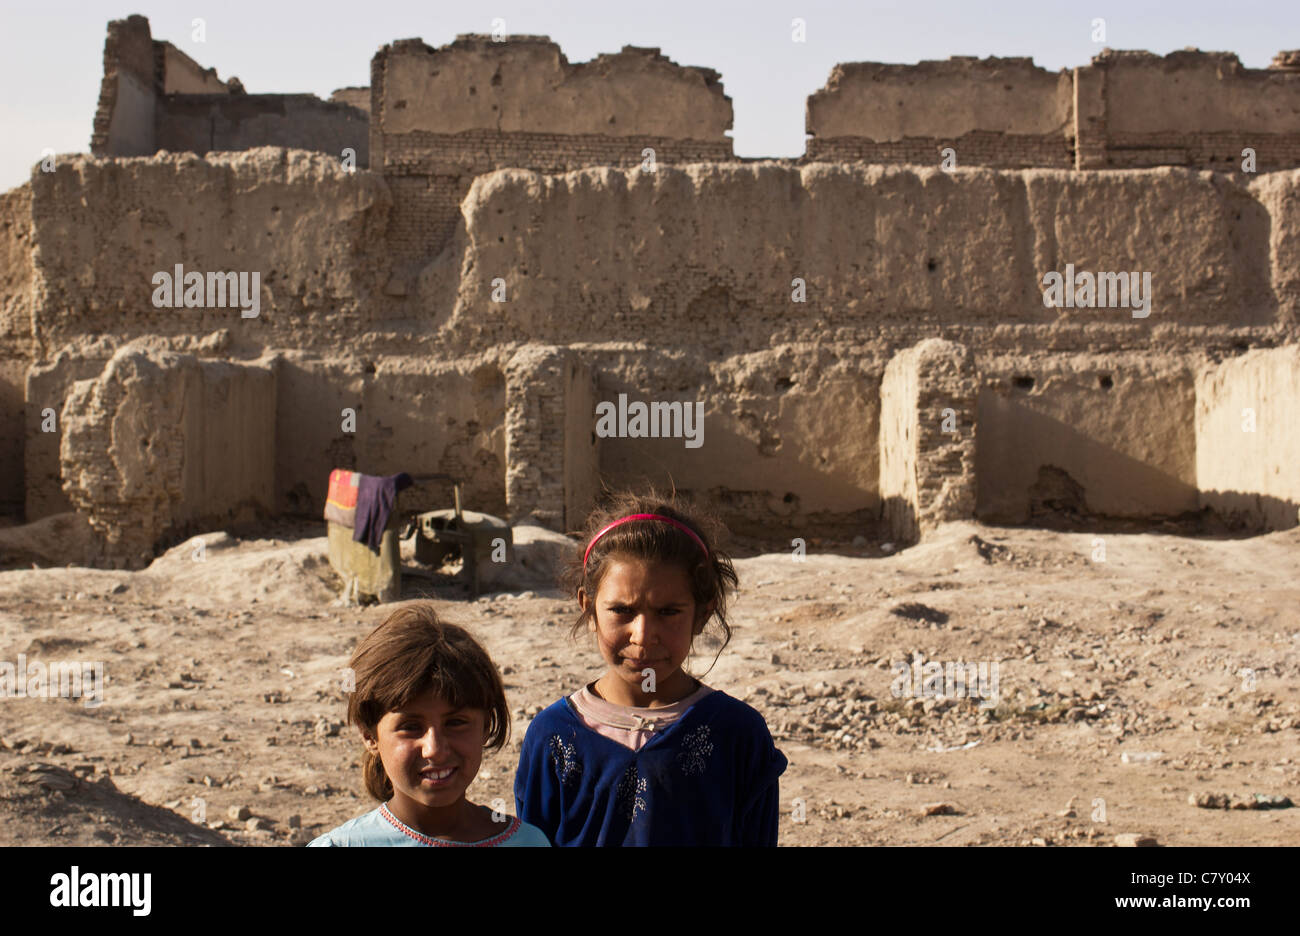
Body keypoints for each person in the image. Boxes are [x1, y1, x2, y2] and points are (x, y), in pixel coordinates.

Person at [514, 489, 787, 845]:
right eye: (622, 611)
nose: (643, 637)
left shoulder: (737, 734)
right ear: (589, 608)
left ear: (702, 614)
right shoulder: (553, 736)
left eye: (668, 612)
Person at [309, 603, 549, 847]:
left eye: (456, 723)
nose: (434, 749)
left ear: (486, 726)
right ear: (370, 735)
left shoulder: (528, 842)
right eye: (410, 727)